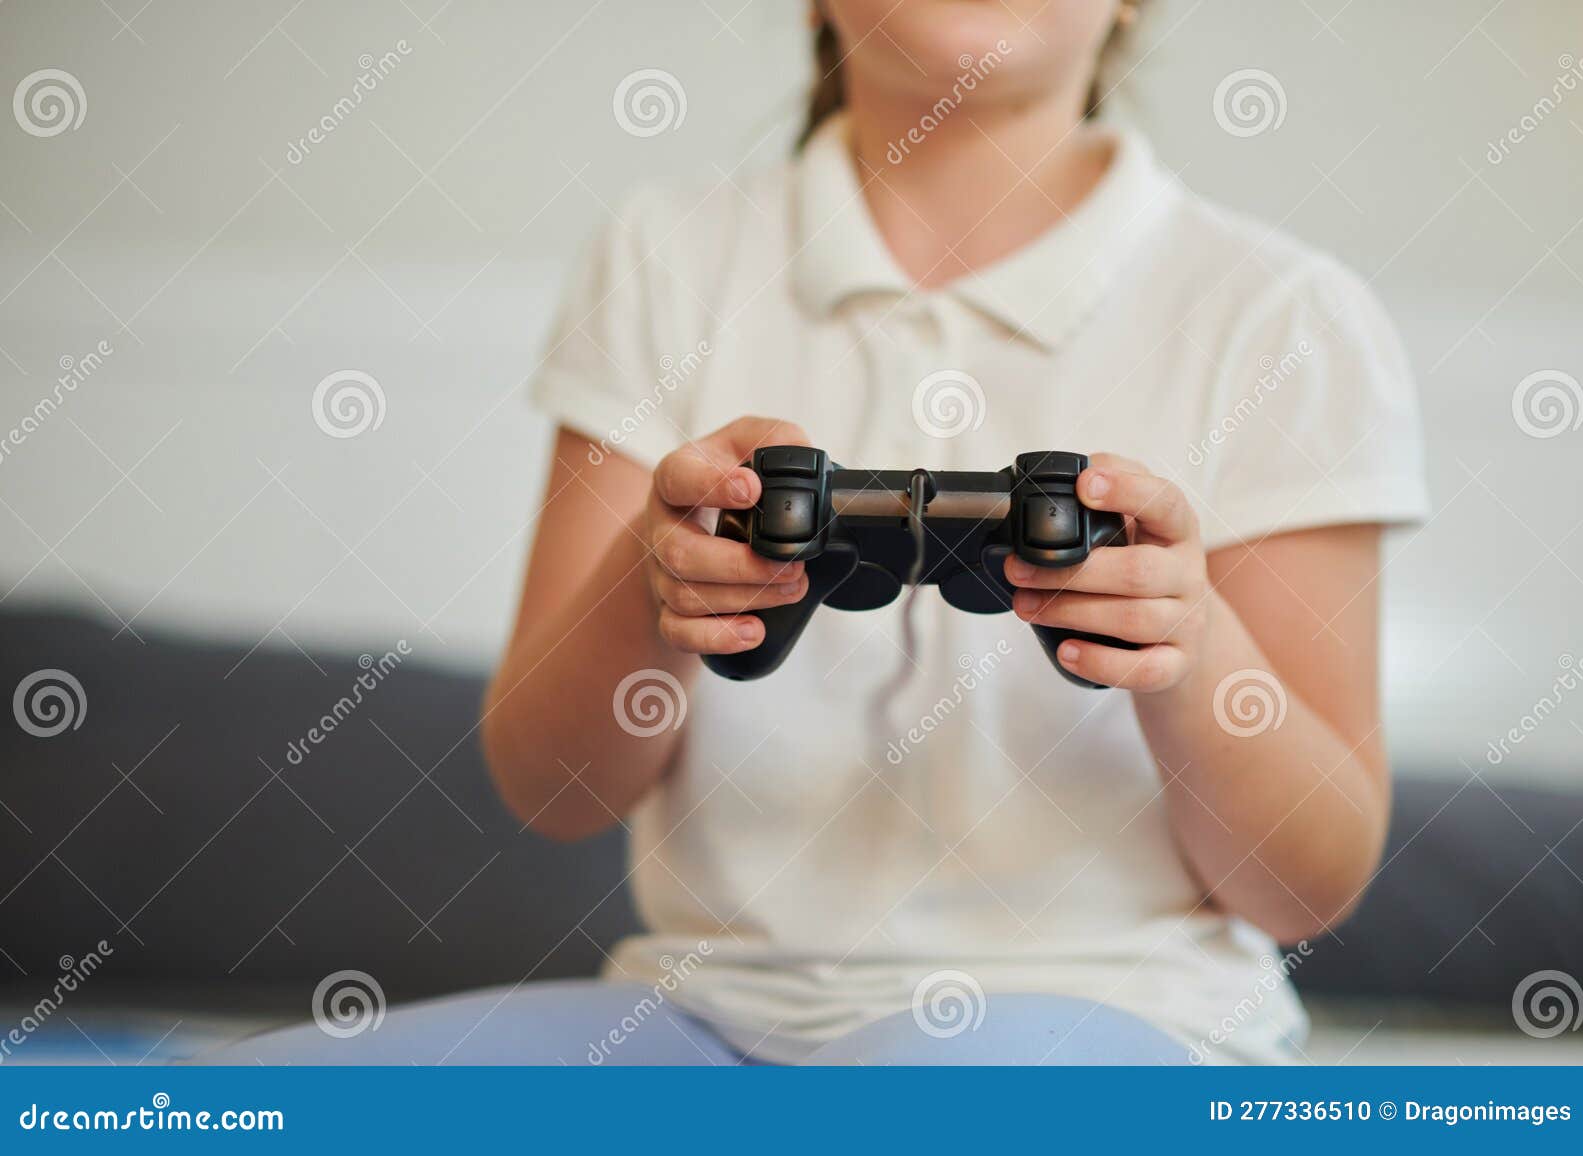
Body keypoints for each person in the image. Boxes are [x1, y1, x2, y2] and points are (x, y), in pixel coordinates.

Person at [259, 0, 1429, 1066]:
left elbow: (1303, 885)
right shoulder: (666, 260)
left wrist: (1193, 647)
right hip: (706, 1010)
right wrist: (648, 579)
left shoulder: (1281, 317)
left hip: (1121, 1014)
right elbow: (552, 787)